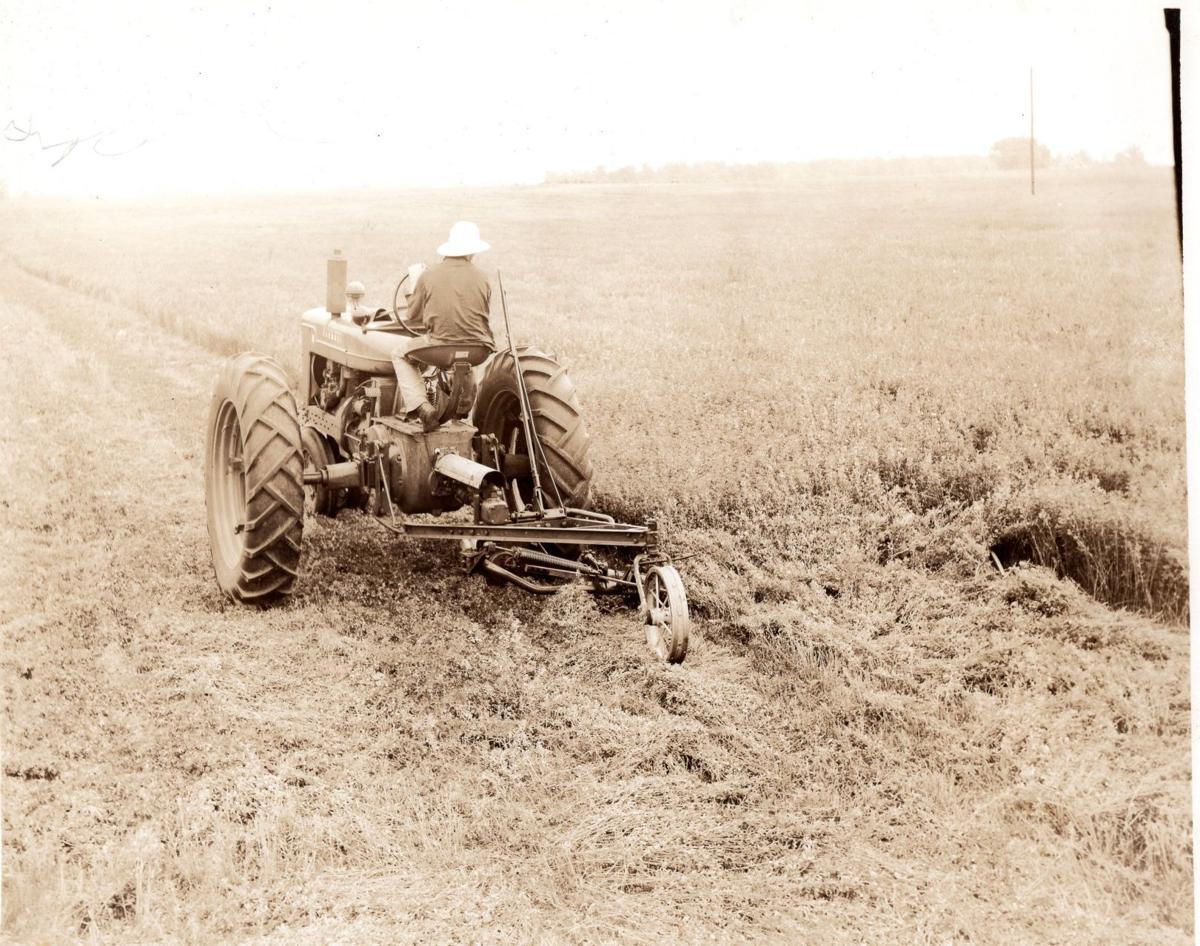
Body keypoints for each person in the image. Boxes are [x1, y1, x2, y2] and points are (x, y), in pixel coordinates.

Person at [391, 221, 495, 431]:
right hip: (479, 349)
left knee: (399, 354)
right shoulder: (483, 278)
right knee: (464, 357)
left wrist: (414, 286)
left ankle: (422, 407)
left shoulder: (428, 275)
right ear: (472, 252)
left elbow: (412, 316)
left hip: (441, 348)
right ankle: (461, 412)